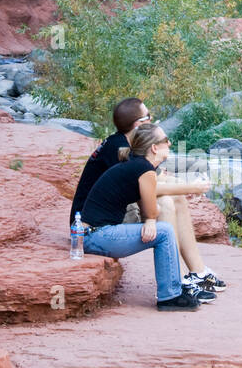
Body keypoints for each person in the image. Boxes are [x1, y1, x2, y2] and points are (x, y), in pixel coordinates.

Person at [69, 97, 227, 293]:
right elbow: (149, 189)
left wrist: (188, 186)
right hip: (89, 224)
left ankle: (198, 273)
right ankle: (174, 281)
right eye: (149, 116)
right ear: (140, 124)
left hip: (109, 215)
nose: (153, 120)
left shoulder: (131, 145)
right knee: (166, 204)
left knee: (175, 198)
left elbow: (158, 180)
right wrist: (190, 188)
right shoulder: (118, 148)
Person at [79, 124, 202, 311]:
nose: (169, 143)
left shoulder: (136, 165)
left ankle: (175, 290)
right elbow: (151, 210)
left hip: (91, 234)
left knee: (161, 229)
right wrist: (151, 220)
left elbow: (147, 204)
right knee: (165, 232)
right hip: (96, 236)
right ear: (154, 148)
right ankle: (170, 295)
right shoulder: (145, 170)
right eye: (165, 140)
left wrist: (151, 218)